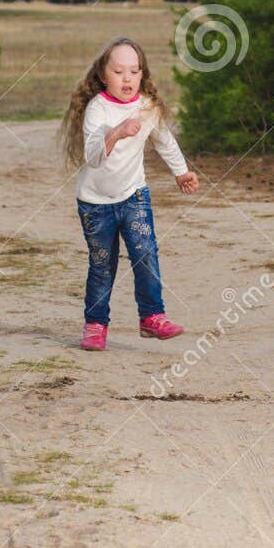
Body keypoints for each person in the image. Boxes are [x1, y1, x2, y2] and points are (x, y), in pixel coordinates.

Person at [61, 37, 199, 351]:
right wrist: (117, 132)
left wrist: (181, 173)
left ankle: (151, 316)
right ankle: (95, 325)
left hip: (134, 196)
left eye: (134, 71)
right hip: (95, 204)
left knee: (145, 253)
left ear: (142, 74)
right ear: (103, 75)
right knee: (102, 264)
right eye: (119, 71)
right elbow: (93, 155)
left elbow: (165, 141)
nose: (127, 78)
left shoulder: (147, 107)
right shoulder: (97, 108)